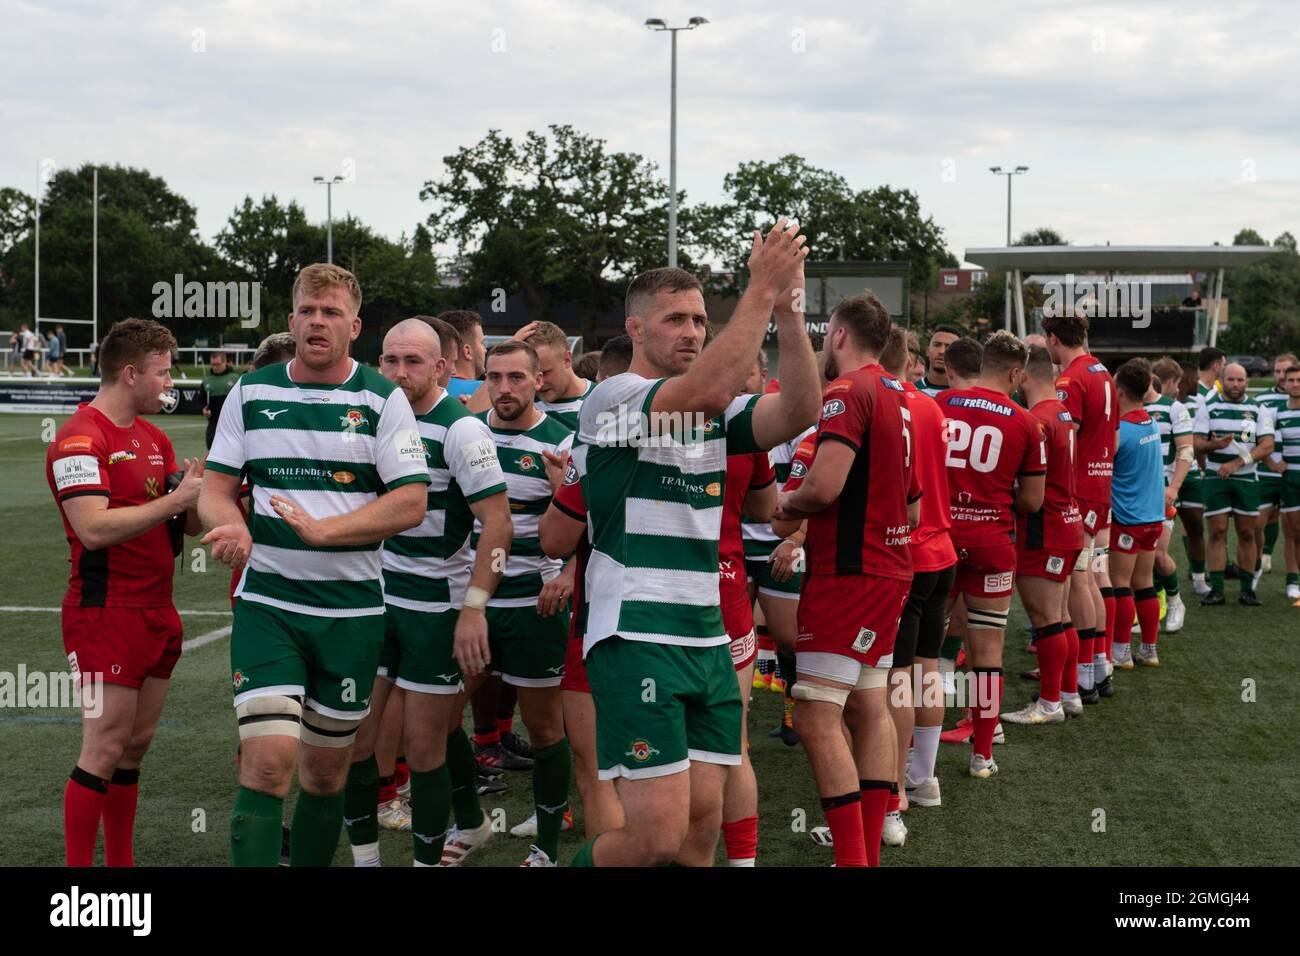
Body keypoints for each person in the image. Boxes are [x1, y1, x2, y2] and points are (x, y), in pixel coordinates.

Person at [569, 221, 819, 867]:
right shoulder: (612, 398)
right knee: (653, 838)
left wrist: (788, 306)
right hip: (636, 633)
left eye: (700, 320)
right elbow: (705, 391)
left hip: (707, 634)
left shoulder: (716, 413)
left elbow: (798, 411)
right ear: (635, 329)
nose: (692, 332)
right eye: (675, 319)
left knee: (700, 831)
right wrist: (759, 287)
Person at [200, 263, 431, 867]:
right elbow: (216, 489)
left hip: (351, 615)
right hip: (269, 606)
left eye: (331, 312)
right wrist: (230, 524)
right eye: (308, 310)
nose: (317, 322)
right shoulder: (250, 393)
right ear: (292, 318)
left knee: (325, 775)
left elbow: (411, 501)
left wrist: (325, 531)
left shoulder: (382, 399)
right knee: (267, 762)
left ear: (354, 326)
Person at [46, 318, 205, 866]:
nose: (171, 382)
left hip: (158, 610)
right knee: (104, 747)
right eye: (163, 372)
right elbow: (93, 528)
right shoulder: (78, 437)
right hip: (105, 613)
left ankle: (120, 866)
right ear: (132, 373)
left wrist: (201, 496)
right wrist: (176, 501)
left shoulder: (154, 437)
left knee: (133, 749)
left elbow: (183, 525)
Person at [771, 295, 918, 867]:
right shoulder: (902, 394)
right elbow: (912, 504)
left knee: (814, 712)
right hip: (891, 567)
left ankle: (854, 858)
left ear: (837, 335)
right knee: (868, 703)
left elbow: (825, 486)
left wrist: (787, 505)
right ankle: (865, 854)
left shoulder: (847, 391)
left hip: (850, 574)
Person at [538, 340, 634, 844]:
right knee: (686, 761)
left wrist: (564, 487)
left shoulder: (593, 440)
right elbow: (767, 509)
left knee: (599, 766)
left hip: (604, 617)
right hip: (695, 615)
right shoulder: (707, 427)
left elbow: (556, 538)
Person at [881, 329, 956, 839]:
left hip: (905, 552)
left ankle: (893, 790)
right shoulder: (930, 405)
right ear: (908, 360)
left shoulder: (880, 403)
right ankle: (924, 777)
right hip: (940, 550)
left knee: (896, 679)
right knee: (928, 670)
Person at [1002, 345, 1084, 725]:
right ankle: (1068, 694)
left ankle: (1050, 703)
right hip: (1067, 525)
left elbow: (1029, 491)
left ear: (1023, 375)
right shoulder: (1062, 412)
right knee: (1061, 616)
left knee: (1047, 619)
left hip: (1045, 529)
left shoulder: (1037, 419)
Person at [1043, 312, 1117, 703]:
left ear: (1054, 338)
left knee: (1080, 580)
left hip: (1080, 490)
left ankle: (1085, 675)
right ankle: (1099, 666)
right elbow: (1113, 436)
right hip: (1100, 486)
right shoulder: (1102, 372)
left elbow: (1064, 439)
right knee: (1092, 577)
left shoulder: (1070, 380)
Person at [1194, 362, 1275, 606]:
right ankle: (1217, 589)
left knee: (1247, 532)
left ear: (1247, 382)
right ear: (1222, 380)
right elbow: (1196, 443)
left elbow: (1267, 445)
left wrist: (1238, 462)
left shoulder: (1258, 408)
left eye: (1240, 380)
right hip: (1215, 477)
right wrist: (1214, 445)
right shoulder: (1208, 406)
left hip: (1247, 479)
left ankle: (1247, 590)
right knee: (1217, 531)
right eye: (1231, 379)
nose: (1236, 384)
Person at [1109, 358, 1167, 668]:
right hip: (1153, 518)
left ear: (1119, 391)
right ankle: (1149, 649)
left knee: (1119, 584)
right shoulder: (1151, 423)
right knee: (1144, 583)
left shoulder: (1121, 431)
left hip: (1127, 519)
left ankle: (1121, 651)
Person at [1145, 358, 1194, 632]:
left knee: (1157, 554)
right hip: (1132, 491)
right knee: (1136, 557)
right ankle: (1147, 609)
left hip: (1161, 491)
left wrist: (1174, 487)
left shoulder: (1174, 408)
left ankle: (1175, 601)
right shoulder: (1126, 406)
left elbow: (1186, 451)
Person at [1255, 354, 1297, 579]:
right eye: (1277, 371)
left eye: (1285, 371)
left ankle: (1292, 580)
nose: (1281, 376)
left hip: (1292, 471)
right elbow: (1251, 432)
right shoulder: (1262, 399)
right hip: (1266, 471)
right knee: (1257, 521)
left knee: (1291, 527)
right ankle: (1259, 560)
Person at [1275, 364, 1300, 601]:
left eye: (1299, 380)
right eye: (1291, 380)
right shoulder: (1278, 413)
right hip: (1290, 478)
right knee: (1293, 531)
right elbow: (1260, 440)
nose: (1295, 384)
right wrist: (1275, 460)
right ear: (1285, 383)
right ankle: (1293, 580)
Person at [439, 310, 487, 401]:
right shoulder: (488, 391)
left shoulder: (430, 391)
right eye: (482, 343)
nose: (485, 350)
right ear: (467, 351)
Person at [201, 351, 240, 449]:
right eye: (213, 364)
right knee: (211, 451)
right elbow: (201, 400)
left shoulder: (235, 378)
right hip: (213, 424)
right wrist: (203, 409)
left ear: (225, 362)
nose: (215, 367)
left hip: (231, 425)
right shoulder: (206, 380)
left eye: (218, 364)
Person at [918, 325, 963, 397]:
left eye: (948, 346)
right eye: (937, 345)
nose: (942, 351)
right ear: (928, 351)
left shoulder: (966, 395)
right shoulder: (912, 390)